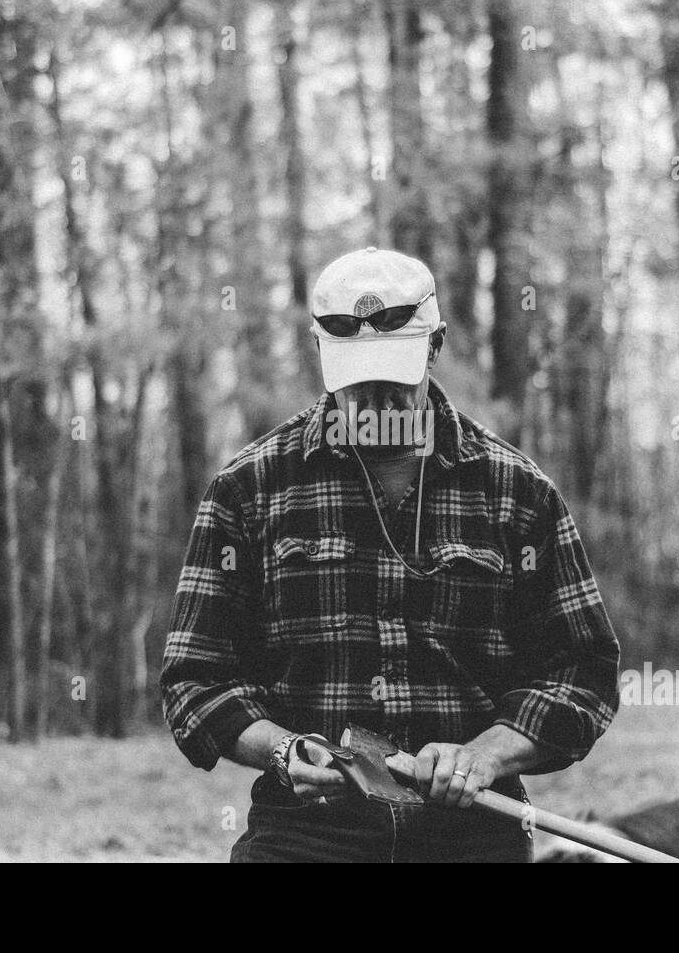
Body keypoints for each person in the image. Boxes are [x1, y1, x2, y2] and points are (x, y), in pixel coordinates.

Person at [160, 246, 621, 862]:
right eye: (356, 379)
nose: (374, 399)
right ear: (319, 351)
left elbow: (583, 672)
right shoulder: (248, 491)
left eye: (393, 375)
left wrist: (484, 754)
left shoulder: (517, 493)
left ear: (436, 345)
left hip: (471, 836)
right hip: (306, 836)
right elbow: (195, 678)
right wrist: (282, 749)